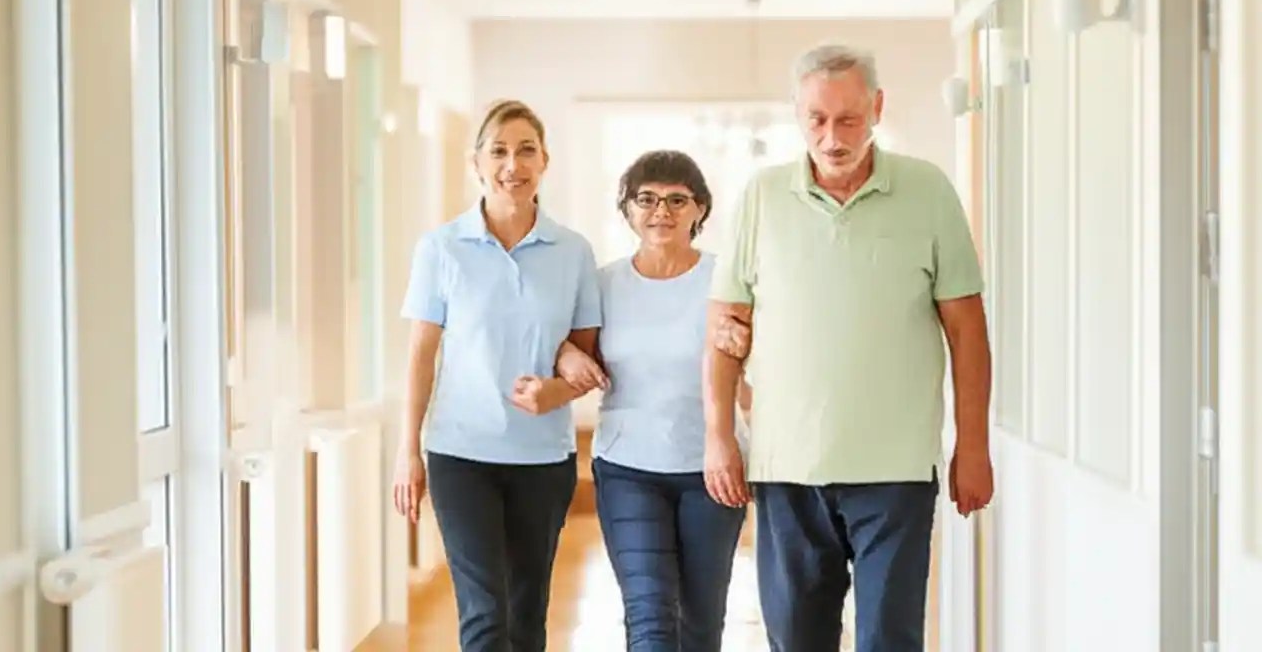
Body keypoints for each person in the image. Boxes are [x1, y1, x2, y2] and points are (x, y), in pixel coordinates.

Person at [702, 43, 995, 651]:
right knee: (798, 639)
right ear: (797, 115)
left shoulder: (928, 191)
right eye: (816, 119)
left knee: (890, 638)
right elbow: (724, 333)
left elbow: (967, 329)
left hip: (896, 469)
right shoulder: (761, 196)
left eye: (848, 119)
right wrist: (719, 436)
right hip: (787, 467)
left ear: (878, 108)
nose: (831, 137)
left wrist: (973, 445)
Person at [392, 99, 608, 652]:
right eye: (500, 151)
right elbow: (421, 354)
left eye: (526, 150)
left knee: (526, 612)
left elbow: (583, 361)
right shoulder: (441, 249)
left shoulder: (574, 252)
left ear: (545, 162)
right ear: (477, 164)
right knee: (485, 612)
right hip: (460, 454)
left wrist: (553, 390)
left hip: (543, 459)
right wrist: (406, 451)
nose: (513, 163)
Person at [554, 151, 750, 651]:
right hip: (627, 467)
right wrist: (563, 356)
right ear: (627, 209)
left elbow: (752, 371)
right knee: (650, 618)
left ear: (699, 211)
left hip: (711, 469)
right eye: (647, 198)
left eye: (677, 200)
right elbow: (562, 343)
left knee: (701, 623)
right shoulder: (602, 284)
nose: (661, 210)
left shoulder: (726, 281)